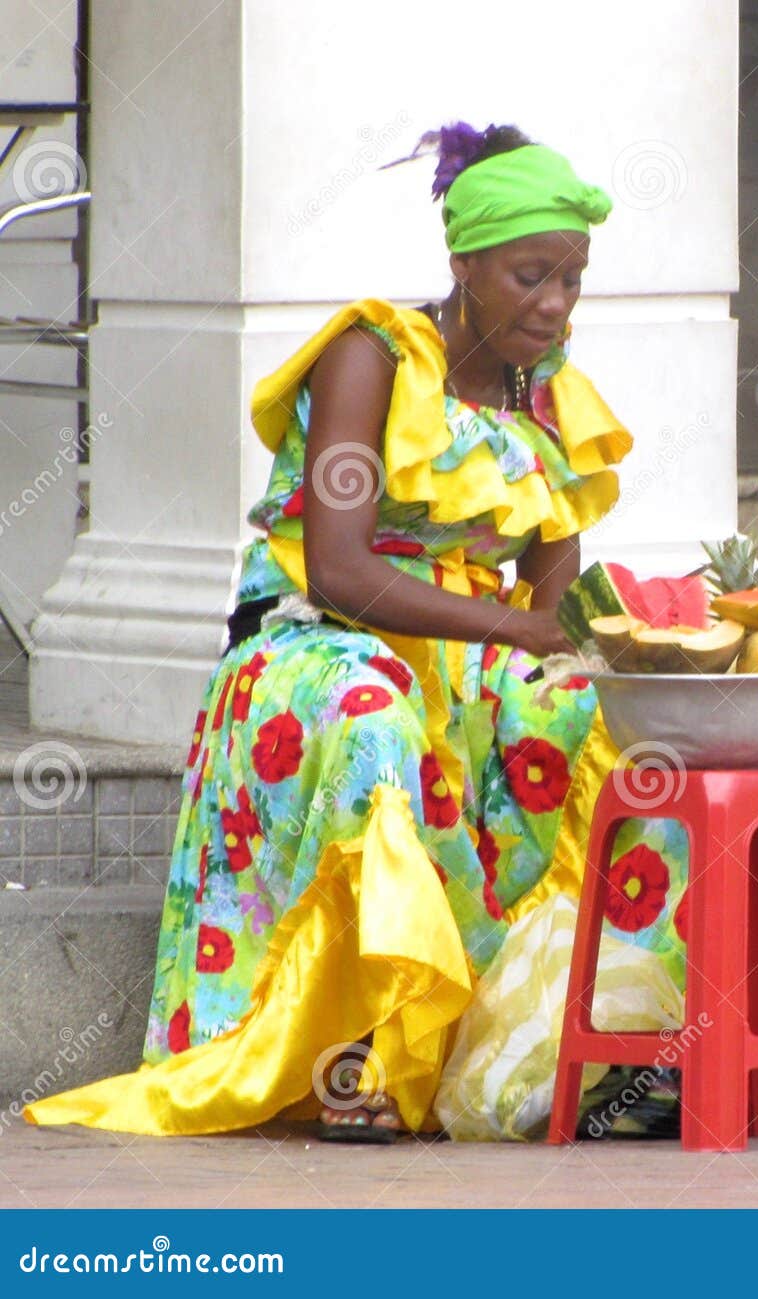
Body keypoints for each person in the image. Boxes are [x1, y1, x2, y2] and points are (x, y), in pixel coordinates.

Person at [27, 124, 700, 1140]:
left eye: (571, 279)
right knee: (372, 713)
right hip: (312, 642)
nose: (554, 304)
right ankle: (365, 1055)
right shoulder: (372, 353)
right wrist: (513, 630)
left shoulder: (549, 393)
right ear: (464, 261)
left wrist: (597, 642)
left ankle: (612, 1044)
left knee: (612, 721)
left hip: (470, 654)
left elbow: (550, 603)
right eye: (530, 275)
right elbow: (341, 568)